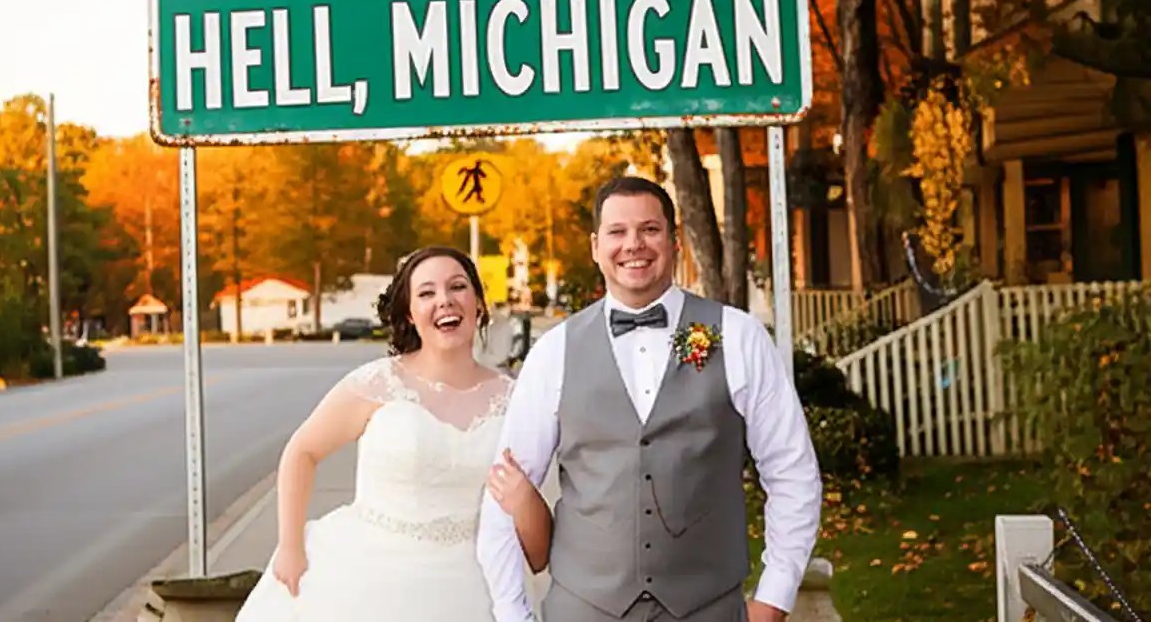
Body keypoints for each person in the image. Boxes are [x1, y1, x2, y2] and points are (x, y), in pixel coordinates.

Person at [476, 176, 823, 621]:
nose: (633, 244)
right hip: (582, 609)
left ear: (675, 242)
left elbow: (792, 472)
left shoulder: (739, 336)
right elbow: (505, 489)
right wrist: (512, 614)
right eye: (617, 232)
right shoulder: (553, 351)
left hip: (709, 608)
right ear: (595, 247)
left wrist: (774, 597)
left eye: (650, 229)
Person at [235, 246, 548, 621]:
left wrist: (524, 500)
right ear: (410, 315)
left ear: (479, 304)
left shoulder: (514, 400)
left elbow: (537, 549)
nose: (445, 301)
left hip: (472, 590)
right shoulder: (378, 382)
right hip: (364, 579)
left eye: (458, 287)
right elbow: (302, 451)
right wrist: (290, 547)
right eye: (427, 293)